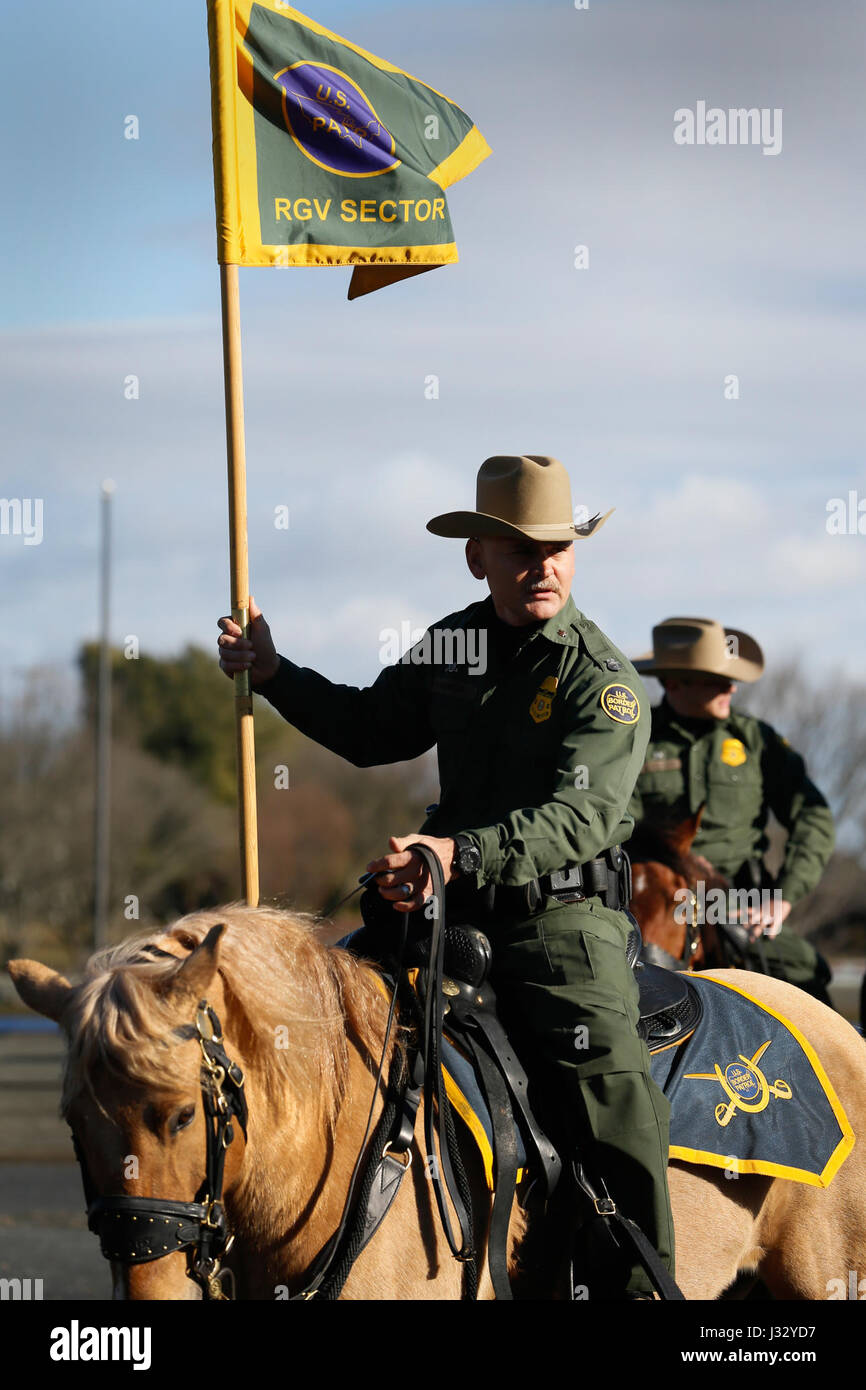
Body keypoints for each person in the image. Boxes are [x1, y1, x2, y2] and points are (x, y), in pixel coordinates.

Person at [217, 453, 674, 1297]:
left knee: (604, 1081)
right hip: (442, 899)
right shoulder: (456, 640)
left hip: (561, 924)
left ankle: (640, 1285)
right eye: (520, 551)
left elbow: (584, 818)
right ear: (479, 558)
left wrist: (456, 854)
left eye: (557, 549)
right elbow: (370, 726)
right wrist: (276, 676)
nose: (543, 566)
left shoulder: (603, 682)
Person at [629, 617, 835, 1002]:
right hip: (658, 899)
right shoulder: (635, 738)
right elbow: (623, 824)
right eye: (716, 680)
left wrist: (784, 895)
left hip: (738, 903)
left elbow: (814, 818)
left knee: (806, 971)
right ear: (674, 683)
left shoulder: (758, 740)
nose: (732, 687)